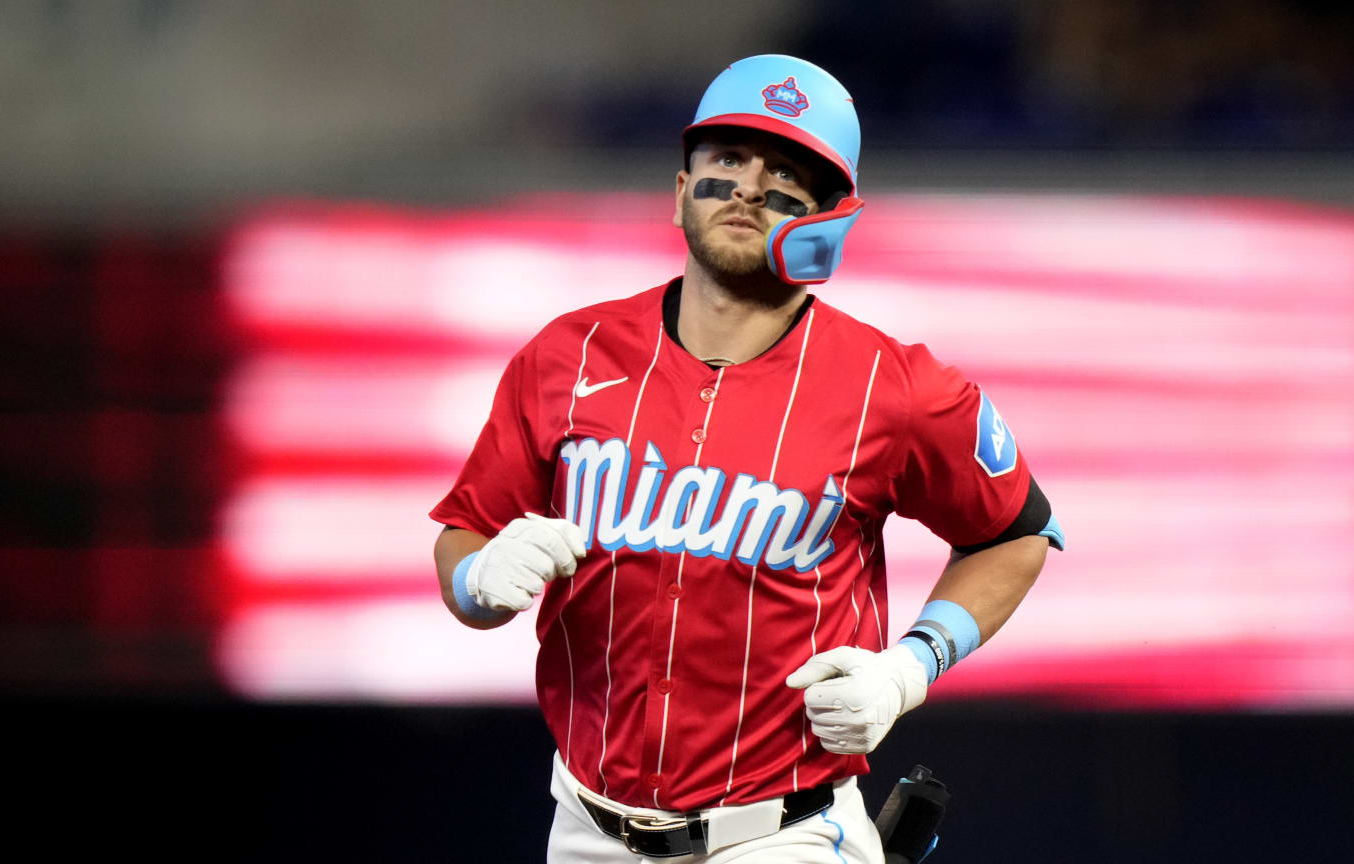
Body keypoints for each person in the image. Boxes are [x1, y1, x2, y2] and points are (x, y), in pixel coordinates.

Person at [430, 54, 1064, 863]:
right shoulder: (566, 354)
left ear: (831, 216)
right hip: (586, 827)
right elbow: (463, 540)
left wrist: (909, 668)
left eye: (787, 170)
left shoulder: (896, 386)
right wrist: (477, 577)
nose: (750, 185)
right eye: (728, 158)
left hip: (783, 833)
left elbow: (1018, 531)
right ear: (680, 190)